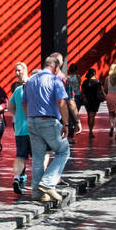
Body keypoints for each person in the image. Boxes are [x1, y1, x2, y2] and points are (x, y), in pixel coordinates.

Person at [23, 54, 72, 202]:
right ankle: (48, 183)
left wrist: (30, 118)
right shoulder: (54, 80)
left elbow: (24, 103)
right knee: (63, 151)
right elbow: (62, 103)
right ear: (56, 67)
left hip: (32, 121)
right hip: (48, 121)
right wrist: (66, 124)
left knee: (38, 158)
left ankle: (37, 193)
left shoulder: (30, 80)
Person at [9, 63, 31, 196]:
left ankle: (17, 177)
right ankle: (40, 183)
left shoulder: (18, 90)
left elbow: (10, 107)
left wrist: (18, 116)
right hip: (34, 128)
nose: (16, 73)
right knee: (40, 155)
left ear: (25, 71)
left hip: (21, 128)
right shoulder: (17, 88)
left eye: (19, 70)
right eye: (15, 70)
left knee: (20, 156)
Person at [81, 67, 104, 139]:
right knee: (92, 116)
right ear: (94, 74)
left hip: (87, 100)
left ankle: (90, 130)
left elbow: (83, 91)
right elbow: (102, 91)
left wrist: (84, 98)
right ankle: (90, 131)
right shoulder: (98, 82)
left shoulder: (85, 82)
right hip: (95, 100)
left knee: (89, 115)